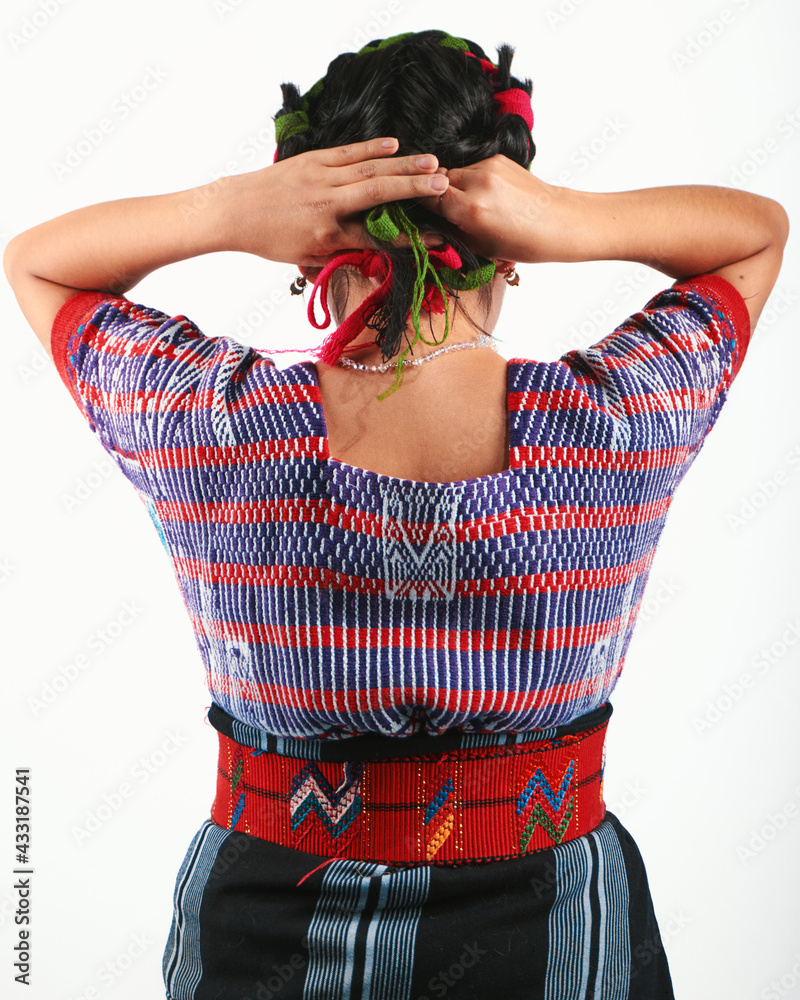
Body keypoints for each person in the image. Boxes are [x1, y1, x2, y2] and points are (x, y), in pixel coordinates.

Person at [4, 28, 788, 1000]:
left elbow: (38, 263)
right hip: (551, 936)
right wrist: (563, 217)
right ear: (504, 253)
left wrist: (225, 208)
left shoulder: (212, 424)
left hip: (262, 937)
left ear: (313, 251)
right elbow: (754, 232)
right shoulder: (617, 417)